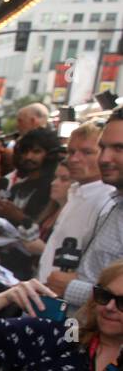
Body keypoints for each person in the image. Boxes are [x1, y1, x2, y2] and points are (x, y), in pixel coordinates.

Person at [47, 110, 123, 311]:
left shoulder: (103, 199)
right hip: (82, 331)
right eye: (103, 147)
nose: (105, 158)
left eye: (119, 148)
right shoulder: (114, 205)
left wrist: (71, 288)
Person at [38, 122, 114, 284]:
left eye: (87, 152)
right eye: (71, 152)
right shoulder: (76, 192)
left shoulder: (107, 201)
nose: (74, 159)